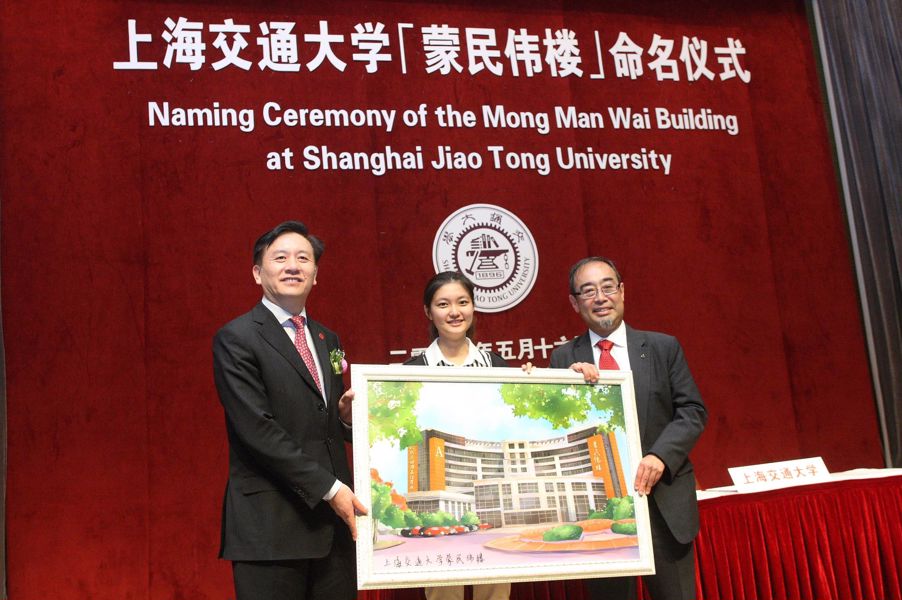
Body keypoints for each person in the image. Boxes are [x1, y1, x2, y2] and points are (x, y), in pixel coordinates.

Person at [212, 221, 367, 600]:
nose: (293, 266)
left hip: (333, 530)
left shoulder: (326, 338)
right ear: (257, 272)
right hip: (272, 529)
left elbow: (322, 424)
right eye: (280, 258)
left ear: (315, 275)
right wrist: (332, 490)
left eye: (303, 258)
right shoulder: (237, 338)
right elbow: (258, 430)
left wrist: (345, 418)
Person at [550, 257, 707, 600]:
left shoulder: (663, 347)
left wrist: (660, 456)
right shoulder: (564, 360)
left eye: (608, 286)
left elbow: (692, 411)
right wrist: (569, 392)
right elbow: (556, 430)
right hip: (604, 516)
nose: (601, 297)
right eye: (588, 291)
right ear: (575, 303)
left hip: (664, 505)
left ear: (622, 292)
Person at [404, 271, 510, 600]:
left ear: (474, 307)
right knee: (442, 587)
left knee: (495, 581)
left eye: (463, 302)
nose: (454, 312)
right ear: (428, 312)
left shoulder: (498, 367)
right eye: (443, 304)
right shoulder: (408, 372)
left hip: (489, 481)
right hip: (438, 486)